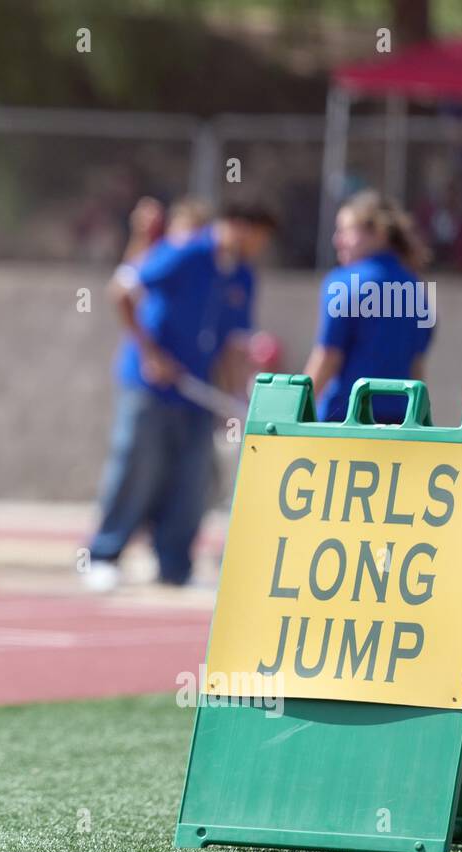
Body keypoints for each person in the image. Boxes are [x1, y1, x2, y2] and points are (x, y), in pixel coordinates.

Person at [83, 200, 274, 591]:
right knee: (137, 469)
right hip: (150, 387)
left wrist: (235, 397)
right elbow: (122, 290)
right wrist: (151, 354)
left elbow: (234, 346)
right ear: (238, 225)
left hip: (198, 392)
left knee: (191, 482)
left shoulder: (244, 277)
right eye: (259, 237)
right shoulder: (186, 253)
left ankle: (174, 565)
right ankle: (103, 556)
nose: (260, 247)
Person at [303, 190, 433, 424]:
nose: (337, 240)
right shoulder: (417, 288)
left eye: (345, 231)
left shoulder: (344, 282)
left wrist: (296, 411)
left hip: (344, 422)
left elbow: (328, 357)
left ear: (379, 234)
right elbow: (416, 365)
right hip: (400, 424)